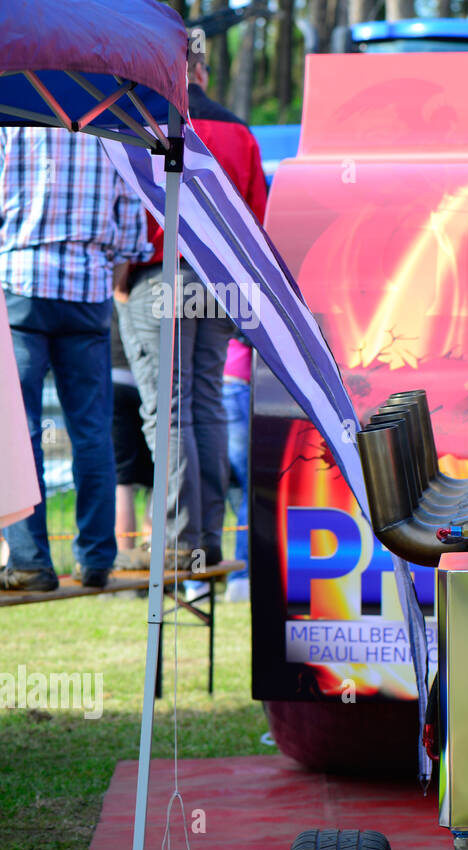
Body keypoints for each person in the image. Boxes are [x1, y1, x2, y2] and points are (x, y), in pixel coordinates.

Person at [119, 39, 266, 588]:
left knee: (170, 410)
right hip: (221, 279)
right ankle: (204, 541)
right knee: (204, 404)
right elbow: (255, 222)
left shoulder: (146, 126)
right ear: (201, 70)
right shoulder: (241, 133)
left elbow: (131, 210)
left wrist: (123, 276)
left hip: (163, 272)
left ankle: (179, 543)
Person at [0, 127, 152, 591]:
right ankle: (96, 559)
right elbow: (132, 227)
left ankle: (29, 562)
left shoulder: (13, 117)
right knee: (92, 431)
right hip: (88, 291)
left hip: (21, 281)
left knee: (18, 434)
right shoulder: (110, 124)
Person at [110, 306, 151, 569]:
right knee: (156, 481)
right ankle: (152, 558)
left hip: (114, 380)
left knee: (122, 480)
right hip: (151, 383)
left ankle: (124, 562)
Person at [223, 334, 252, 602]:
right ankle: (242, 576)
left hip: (216, 384)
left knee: (231, 486)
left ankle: (198, 582)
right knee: (249, 489)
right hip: (239, 385)